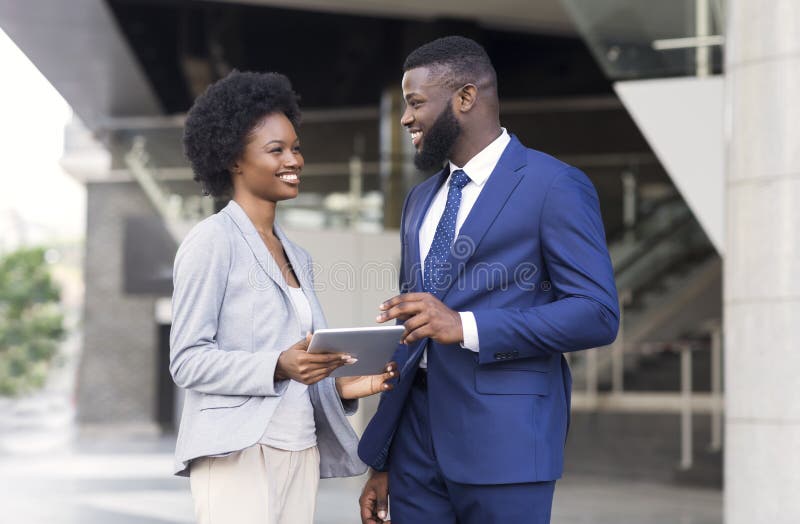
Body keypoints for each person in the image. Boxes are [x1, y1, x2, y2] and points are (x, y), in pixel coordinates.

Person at [357, 36, 619, 523]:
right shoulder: (419, 201)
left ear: (465, 97)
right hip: (414, 449)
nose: (405, 118)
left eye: (415, 103)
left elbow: (597, 314)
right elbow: (414, 334)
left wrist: (467, 325)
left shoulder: (555, 185)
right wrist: (384, 456)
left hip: (507, 446)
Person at [169, 70, 394, 524]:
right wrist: (277, 364)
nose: (294, 159)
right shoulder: (212, 240)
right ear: (234, 159)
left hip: (300, 448)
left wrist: (347, 385)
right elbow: (187, 360)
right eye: (276, 150)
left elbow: (300, 371)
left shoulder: (298, 255)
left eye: (295, 147)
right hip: (237, 451)